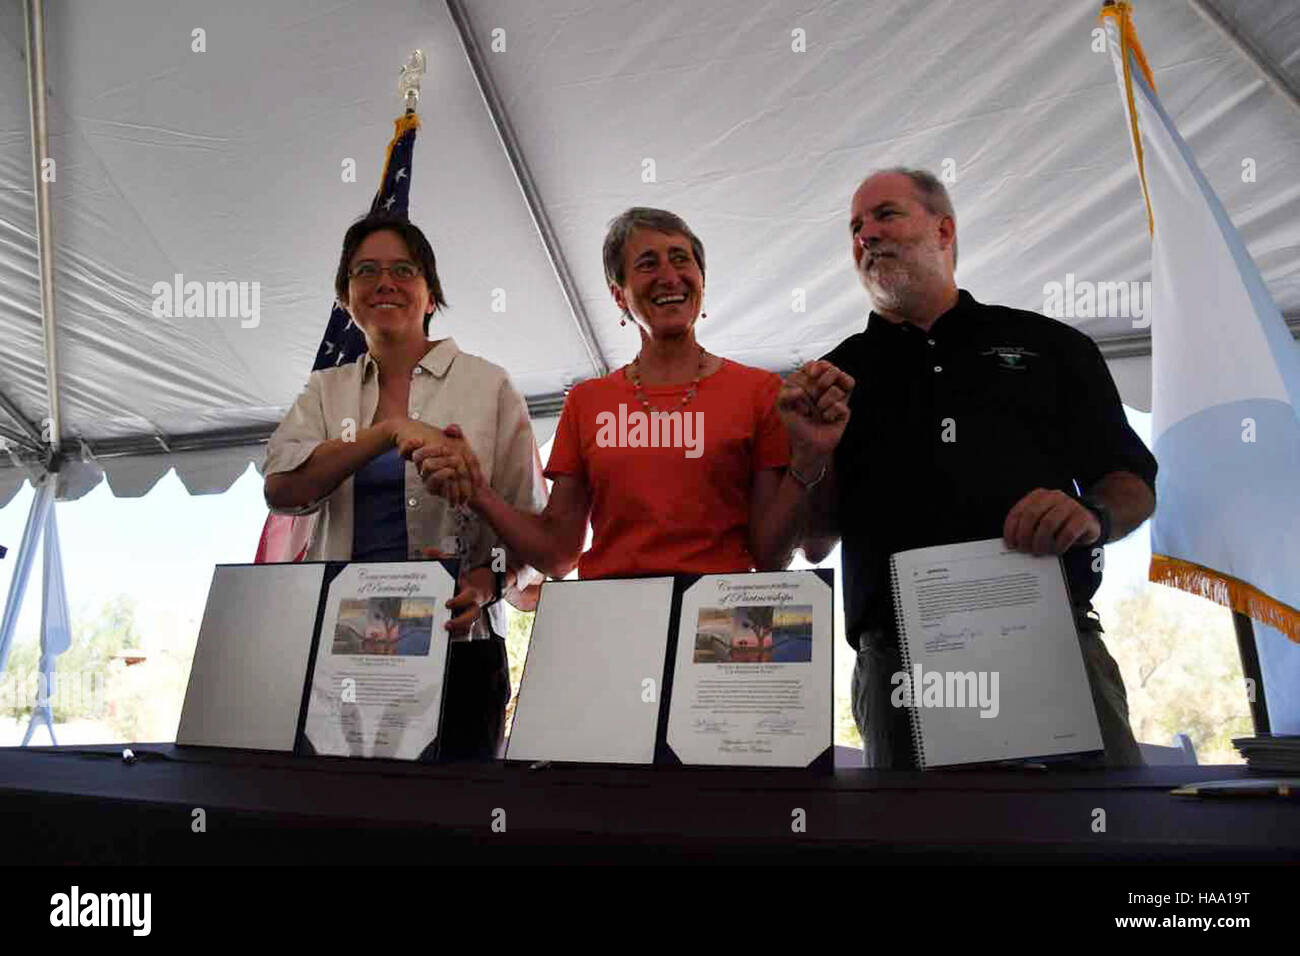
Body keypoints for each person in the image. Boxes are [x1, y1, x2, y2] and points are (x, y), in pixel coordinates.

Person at [789, 168, 1156, 768]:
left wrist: (1091, 514)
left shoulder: (1052, 347)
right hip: (898, 665)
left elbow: (1131, 481)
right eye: (855, 227)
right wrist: (811, 453)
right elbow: (813, 542)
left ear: (944, 229)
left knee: (1104, 835)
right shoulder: (833, 380)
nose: (867, 235)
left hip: (1053, 640)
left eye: (886, 215)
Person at [404, 207, 837, 581]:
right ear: (619, 296)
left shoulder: (759, 391)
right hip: (615, 625)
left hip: (717, 624)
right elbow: (557, 554)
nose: (669, 276)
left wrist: (808, 462)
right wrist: (478, 492)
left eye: (681, 260)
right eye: (647, 264)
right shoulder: (588, 402)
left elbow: (769, 557)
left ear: (701, 281)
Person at [262, 211, 547, 760]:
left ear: (431, 294)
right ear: (346, 298)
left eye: (404, 269)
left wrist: (491, 583)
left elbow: (533, 533)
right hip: (343, 649)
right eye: (365, 270)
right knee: (347, 820)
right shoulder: (325, 392)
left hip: (460, 648)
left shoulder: (489, 385)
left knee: (456, 827)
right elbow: (281, 491)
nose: (384, 282)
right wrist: (389, 432)